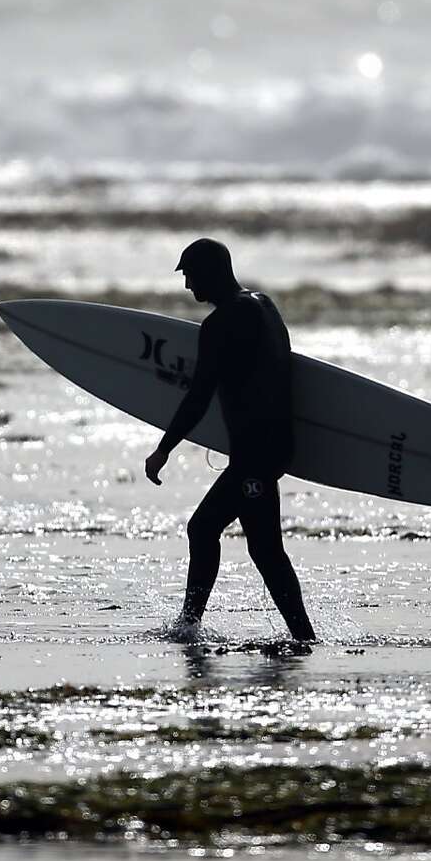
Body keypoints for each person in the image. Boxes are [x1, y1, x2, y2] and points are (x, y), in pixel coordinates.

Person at [145, 238, 317, 642]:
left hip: (256, 453)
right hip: (272, 446)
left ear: (210, 271)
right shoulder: (264, 307)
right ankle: (303, 636)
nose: (187, 285)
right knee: (263, 548)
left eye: (189, 274)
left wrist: (163, 449)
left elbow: (200, 395)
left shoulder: (221, 324)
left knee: (204, 529)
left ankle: (189, 626)